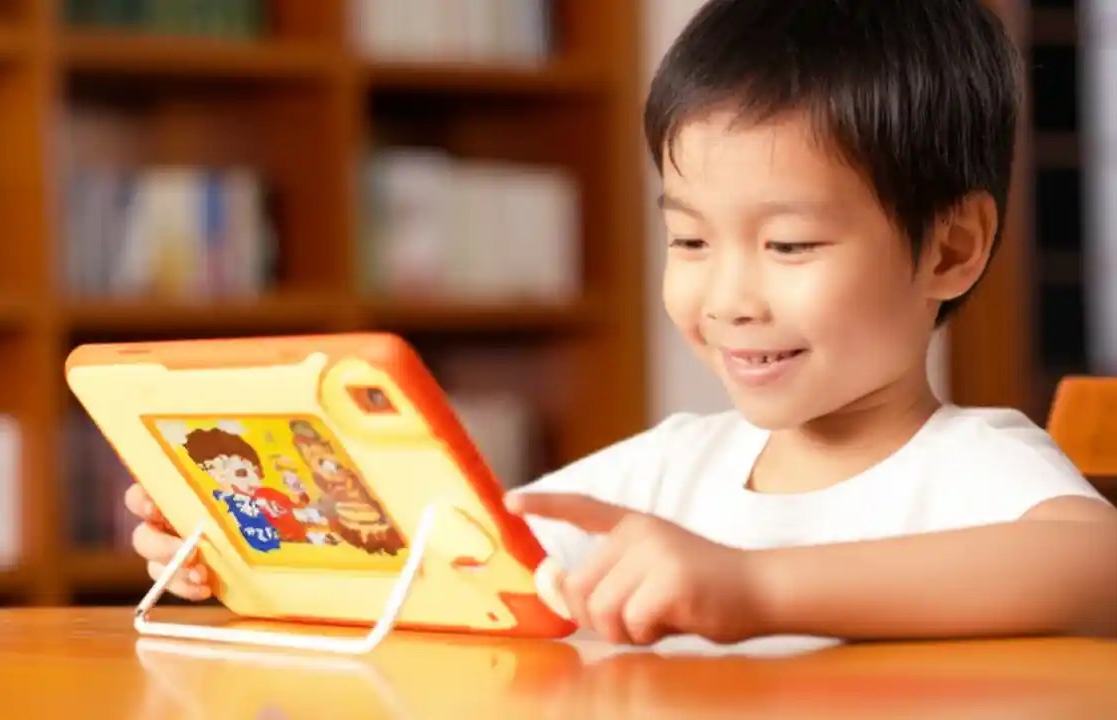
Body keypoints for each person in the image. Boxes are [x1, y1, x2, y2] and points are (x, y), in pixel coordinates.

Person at [124, 0, 1117, 644]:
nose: (726, 297)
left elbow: (1093, 564)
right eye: (689, 243)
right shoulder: (663, 472)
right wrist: (247, 550)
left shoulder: (970, 466)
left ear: (948, 250)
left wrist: (751, 589)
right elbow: (454, 562)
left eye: (787, 247)